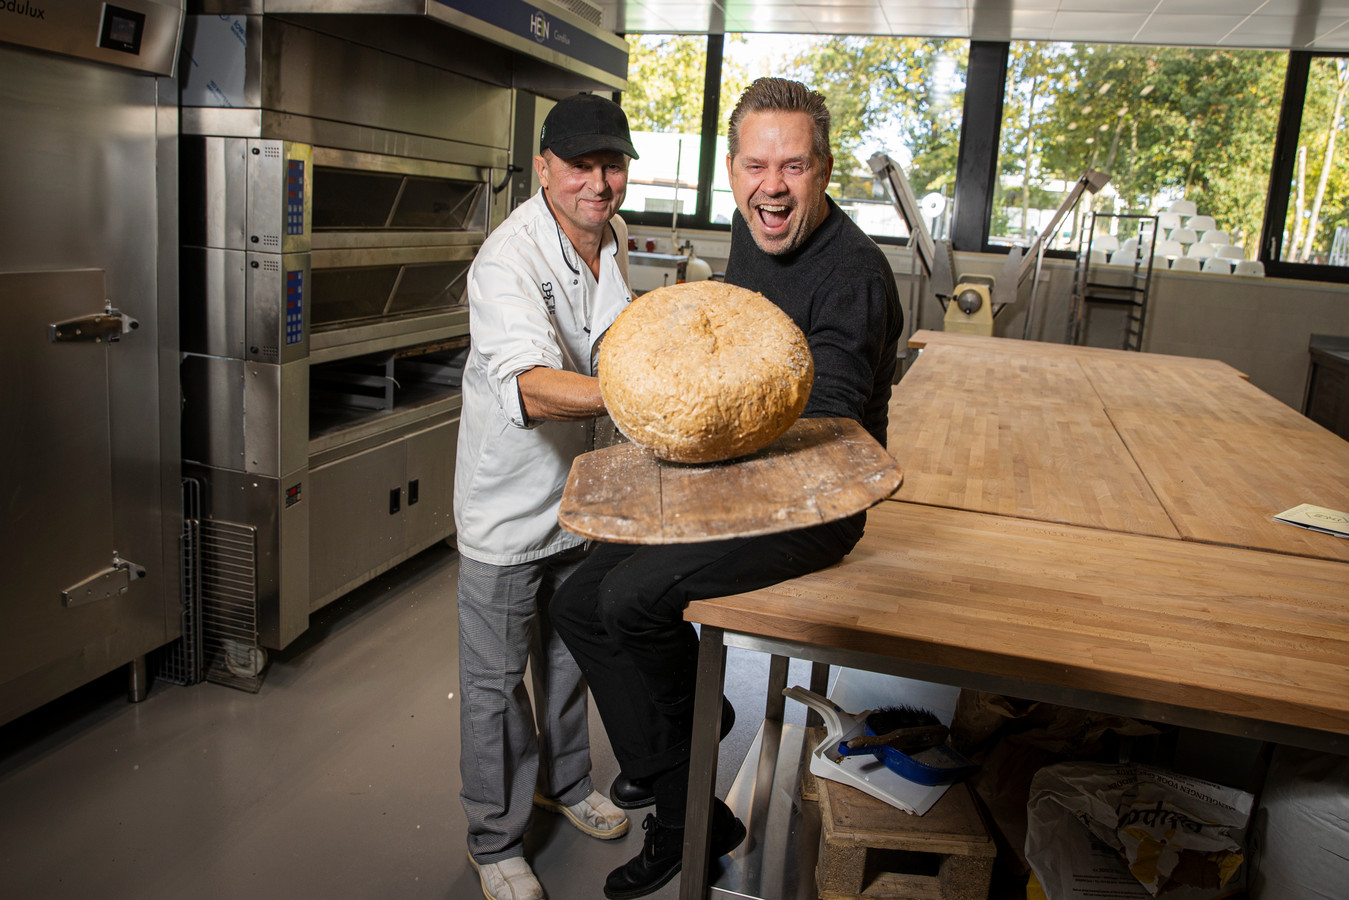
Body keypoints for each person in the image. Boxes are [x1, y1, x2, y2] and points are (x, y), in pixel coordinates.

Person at [550, 77, 903, 900]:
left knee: (632, 602)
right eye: (753, 165)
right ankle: (678, 753)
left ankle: (687, 822)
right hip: (736, 480)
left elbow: (822, 415)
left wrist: (696, 435)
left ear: (822, 170)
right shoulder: (756, 239)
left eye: (791, 166)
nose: (769, 186)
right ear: (733, 169)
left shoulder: (850, 272)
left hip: (815, 502)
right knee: (577, 605)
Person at [454, 92, 641, 900]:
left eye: (612, 165)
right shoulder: (507, 259)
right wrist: (645, 396)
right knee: (496, 688)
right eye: (579, 167)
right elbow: (529, 387)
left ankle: (564, 786)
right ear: (543, 168)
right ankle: (493, 841)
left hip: (580, 494)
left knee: (568, 662)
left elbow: (619, 334)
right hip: (509, 505)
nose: (597, 183)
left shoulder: (612, 234)